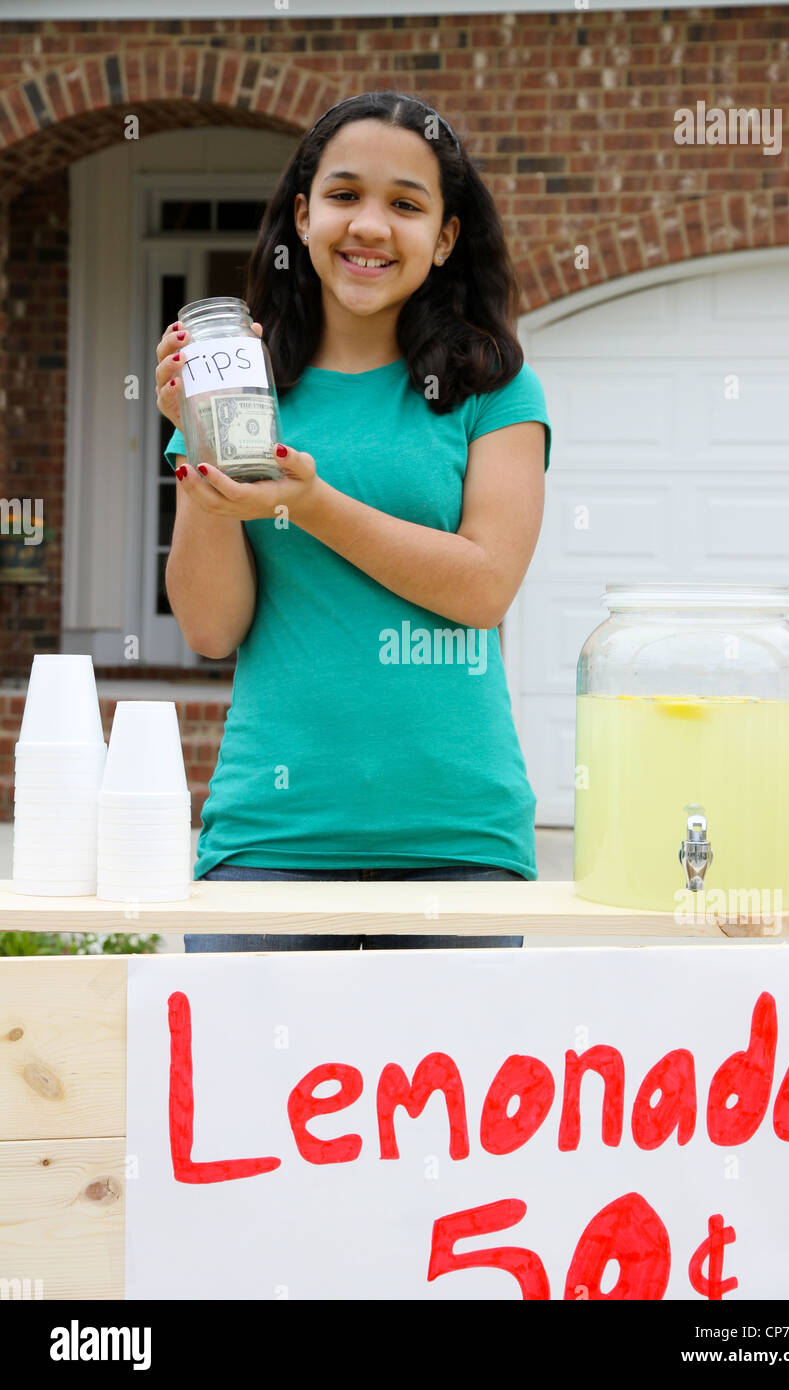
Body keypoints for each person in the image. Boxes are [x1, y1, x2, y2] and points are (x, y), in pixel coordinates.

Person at [154, 90, 552, 952]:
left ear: (444, 238)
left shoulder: (495, 389)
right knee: (247, 1090)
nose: (370, 224)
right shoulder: (243, 398)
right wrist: (196, 441)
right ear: (303, 217)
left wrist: (310, 500)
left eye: (406, 204)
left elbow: (484, 587)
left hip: (459, 845)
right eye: (343, 195)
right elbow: (212, 627)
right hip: (271, 840)